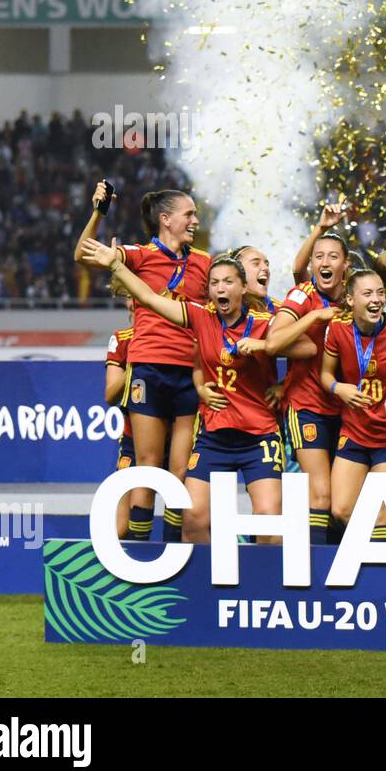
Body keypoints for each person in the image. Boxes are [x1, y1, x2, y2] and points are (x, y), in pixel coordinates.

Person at [81, 243, 312, 543]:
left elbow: (309, 347)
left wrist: (267, 347)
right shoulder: (201, 317)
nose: (221, 289)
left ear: (243, 288)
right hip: (213, 437)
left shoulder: (265, 323)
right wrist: (115, 266)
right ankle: (203, 590)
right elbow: (150, 297)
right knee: (193, 519)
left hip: (259, 436)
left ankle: (261, 584)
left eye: (228, 282)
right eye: (214, 283)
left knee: (269, 519)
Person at [74, 184, 209, 543]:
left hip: (189, 373)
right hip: (148, 368)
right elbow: (82, 254)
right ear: (166, 219)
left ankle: (174, 553)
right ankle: (138, 550)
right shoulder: (140, 255)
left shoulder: (205, 263)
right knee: (148, 466)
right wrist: (99, 214)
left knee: (179, 472)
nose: (195, 220)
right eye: (189, 214)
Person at [263, 232, 348, 543]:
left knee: (345, 502)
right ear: (311, 264)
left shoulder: (356, 297)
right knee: (321, 495)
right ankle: (315, 575)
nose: (324, 262)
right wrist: (314, 315)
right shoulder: (302, 295)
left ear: (346, 265)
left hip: (348, 410)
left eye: (333, 256)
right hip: (307, 407)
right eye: (319, 257)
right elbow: (273, 342)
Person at [320, 268, 386, 541]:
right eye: (368, 293)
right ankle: (362, 562)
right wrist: (340, 388)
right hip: (354, 431)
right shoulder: (337, 329)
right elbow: (325, 375)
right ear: (350, 300)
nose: (377, 299)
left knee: (383, 515)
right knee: (340, 509)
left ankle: (380, 580)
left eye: (381, 292)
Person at [103, 294, 136, 539]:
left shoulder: (182, 336)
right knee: (122, 528)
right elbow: (110, 395)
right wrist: (138, 362)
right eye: (128, 297)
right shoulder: (122, 339)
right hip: (134, 440)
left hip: (179, 439)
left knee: (187, 521)